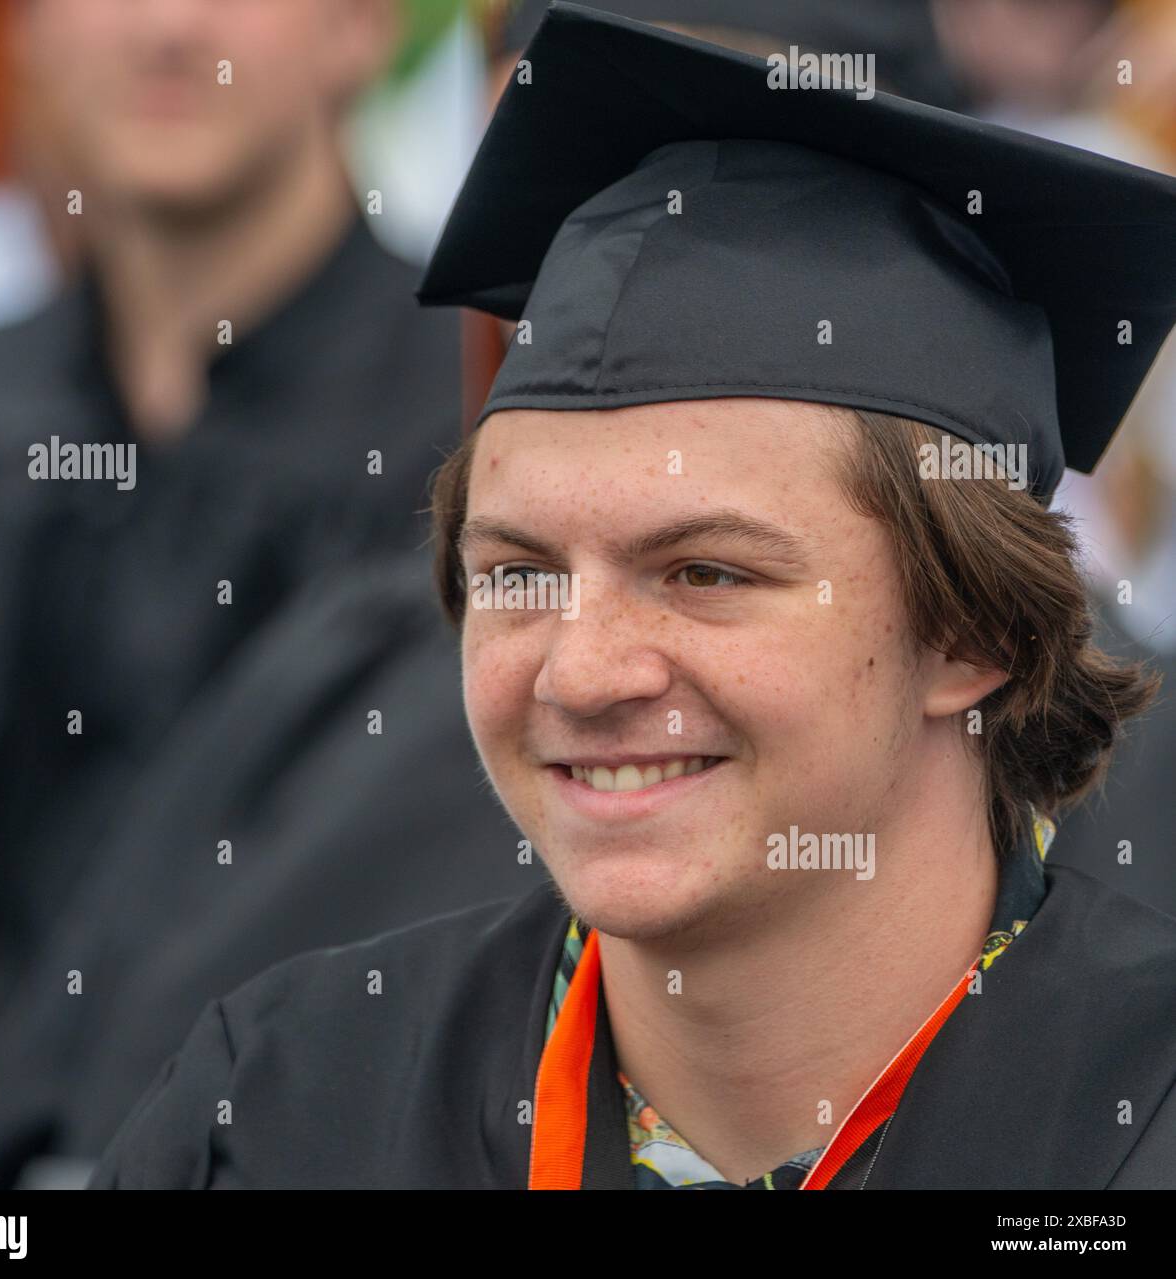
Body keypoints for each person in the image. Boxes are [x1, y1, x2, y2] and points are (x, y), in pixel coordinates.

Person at [90, 5, 1176, 1190]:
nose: (581, 670)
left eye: (705, 573)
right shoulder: (282, 1110)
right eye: (519, 573)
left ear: (974, 627)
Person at [0, 0, 538, 1189]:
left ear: (363, 31)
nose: (168, 26)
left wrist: (29, 1113)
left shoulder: (484, 449)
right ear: (19, 33)